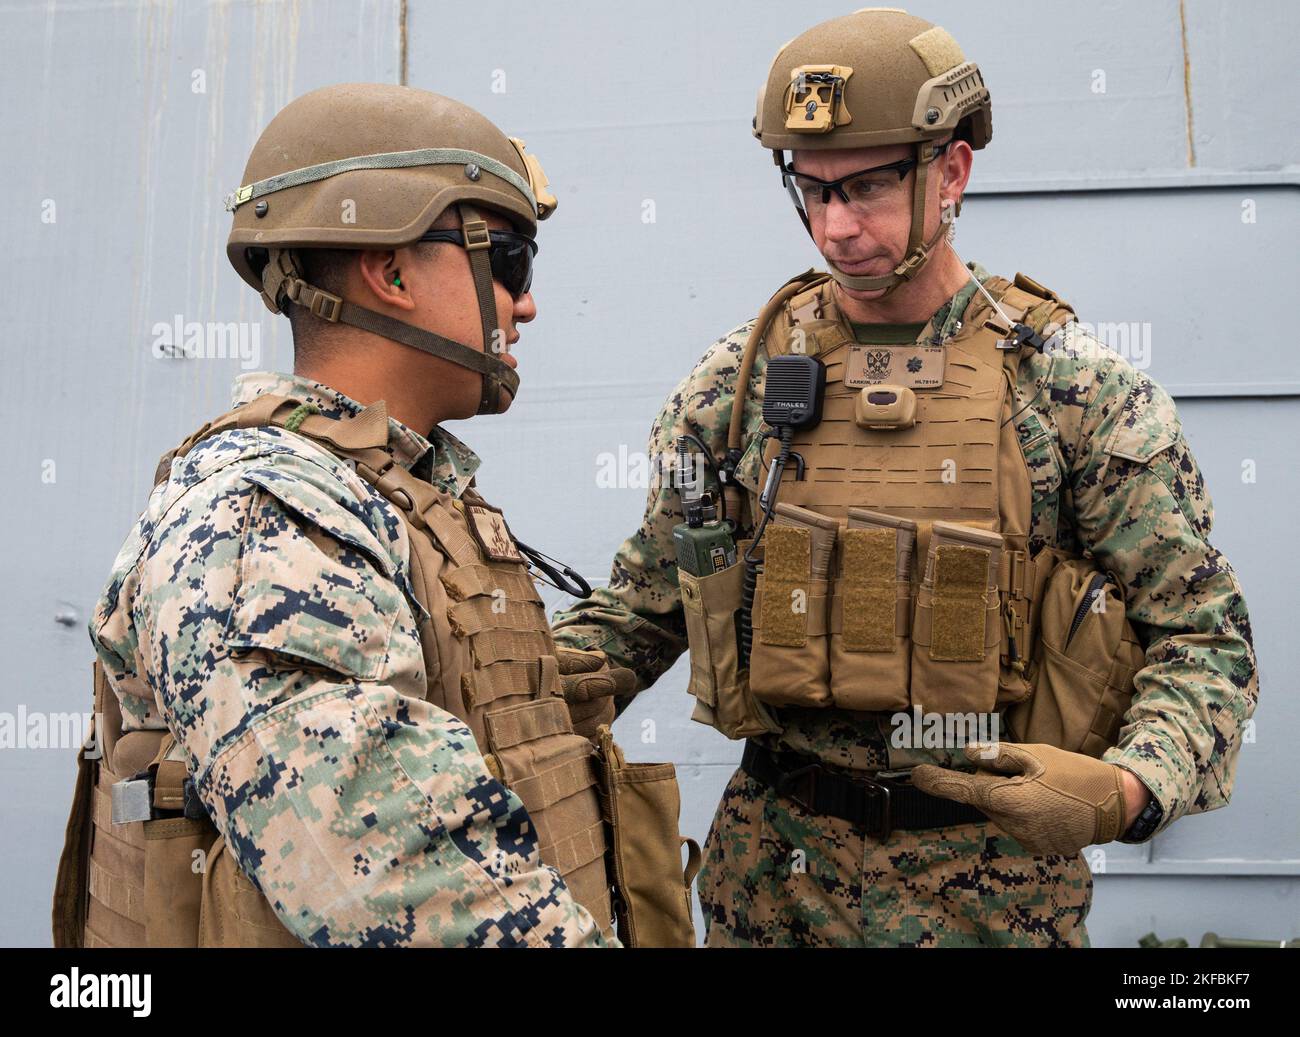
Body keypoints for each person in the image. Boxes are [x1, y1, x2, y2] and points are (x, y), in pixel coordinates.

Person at [551, 9, 1259, 947]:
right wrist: (522, 679)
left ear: (952, 171)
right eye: (812, 191)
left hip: (994, 900)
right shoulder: (736, 389)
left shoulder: (1074, 392)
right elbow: (645, 609)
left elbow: (1206, 647)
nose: (837, 227)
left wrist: (1124, 790)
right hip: (775, 889)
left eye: (870, 187)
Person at [52, 83, 641, 948]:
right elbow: (400, 874)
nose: (525, 303)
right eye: (507, 258)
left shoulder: (383, 491)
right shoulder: (268, 518)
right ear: (392, 270)